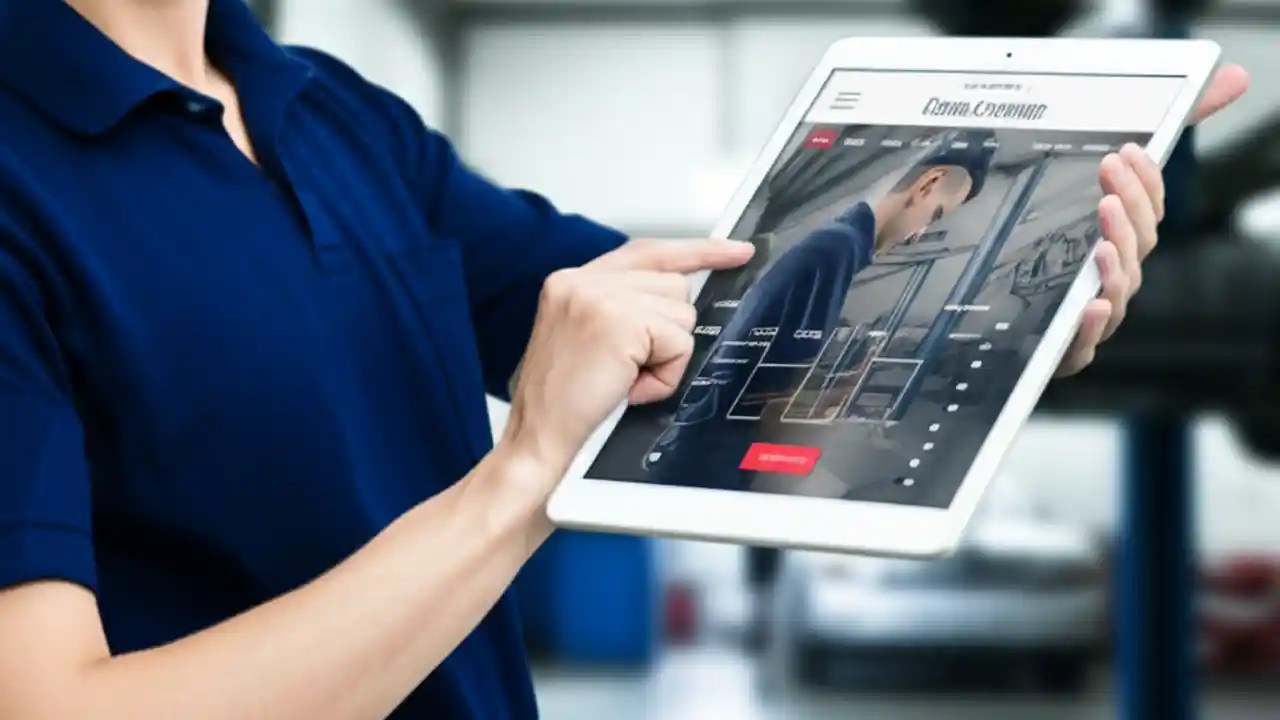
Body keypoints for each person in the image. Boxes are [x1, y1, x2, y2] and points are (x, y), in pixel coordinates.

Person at [0, 1, 1247, 718]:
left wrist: (1020, 315)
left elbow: (688, 335)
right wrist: (520, 479)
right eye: (937, 214)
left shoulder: (332, 115)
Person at [645, 132, 995, 488]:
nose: (919, 235)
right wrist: (850, 432)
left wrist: (840, 388)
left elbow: (764, 379)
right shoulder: (836, 250)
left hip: (704, 443)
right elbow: (769, 405)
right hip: (710, 458)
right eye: (934, 217)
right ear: (928, 184)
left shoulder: (836, 243)